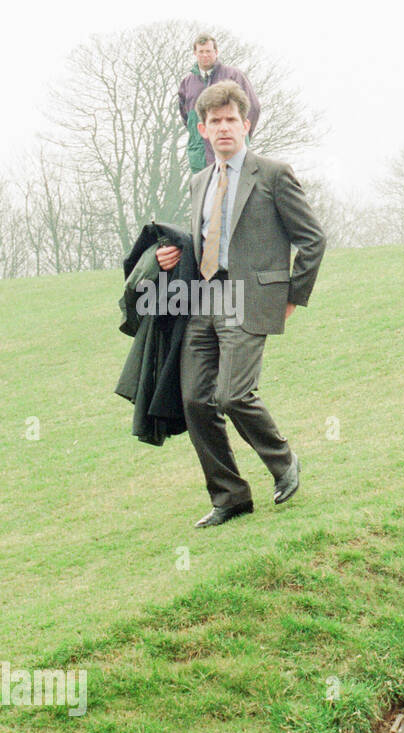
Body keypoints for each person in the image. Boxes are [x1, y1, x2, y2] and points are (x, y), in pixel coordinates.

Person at [156, 80, 325, 528]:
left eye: (232, 119)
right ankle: (230, 496)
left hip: (249, 298)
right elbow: (202, 243)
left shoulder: (272, 173)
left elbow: (312, 239)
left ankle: (283, 458)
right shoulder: (198, 182)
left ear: (246, 124)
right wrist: (168, 257)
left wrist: (293, 296)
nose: (225, 127)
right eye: (215, 121)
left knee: (231, 394)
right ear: (203, 130)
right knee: (194, 401)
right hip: (202, 299)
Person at [178, 33, 261, 174]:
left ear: (216, 52)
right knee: (205, 194)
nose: (205, 55)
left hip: (233, 152)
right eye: (201, 52)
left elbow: (253, 108)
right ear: (195, 53)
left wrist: (242, 135)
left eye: (208, 51)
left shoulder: (233, 76)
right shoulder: (187, 83)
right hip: (200, 157)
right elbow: (187, 118)